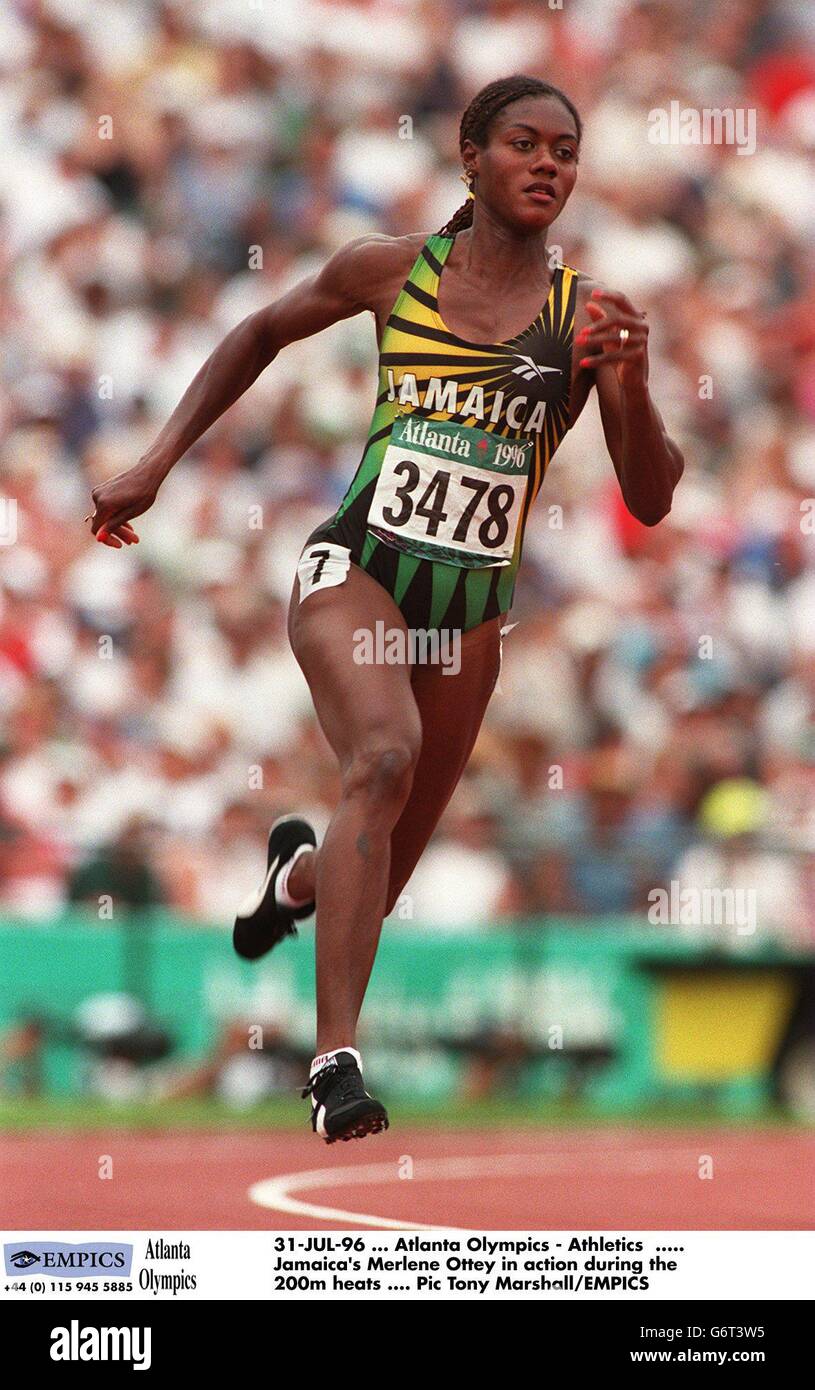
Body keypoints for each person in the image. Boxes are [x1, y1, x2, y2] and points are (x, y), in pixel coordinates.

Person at [86, 74, 684, 1143]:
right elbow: (260, 331)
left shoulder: (581, 319)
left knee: (380, 855)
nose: (547, 163)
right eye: (522, 143)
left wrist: (628, 385)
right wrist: (155, 460)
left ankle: (298, 877)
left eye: (564, 149)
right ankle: (332, 1065)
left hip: (468, 621)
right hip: (354, 569)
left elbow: (649, 494)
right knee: (380, 759)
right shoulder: (391, 271)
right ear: (469, 158)